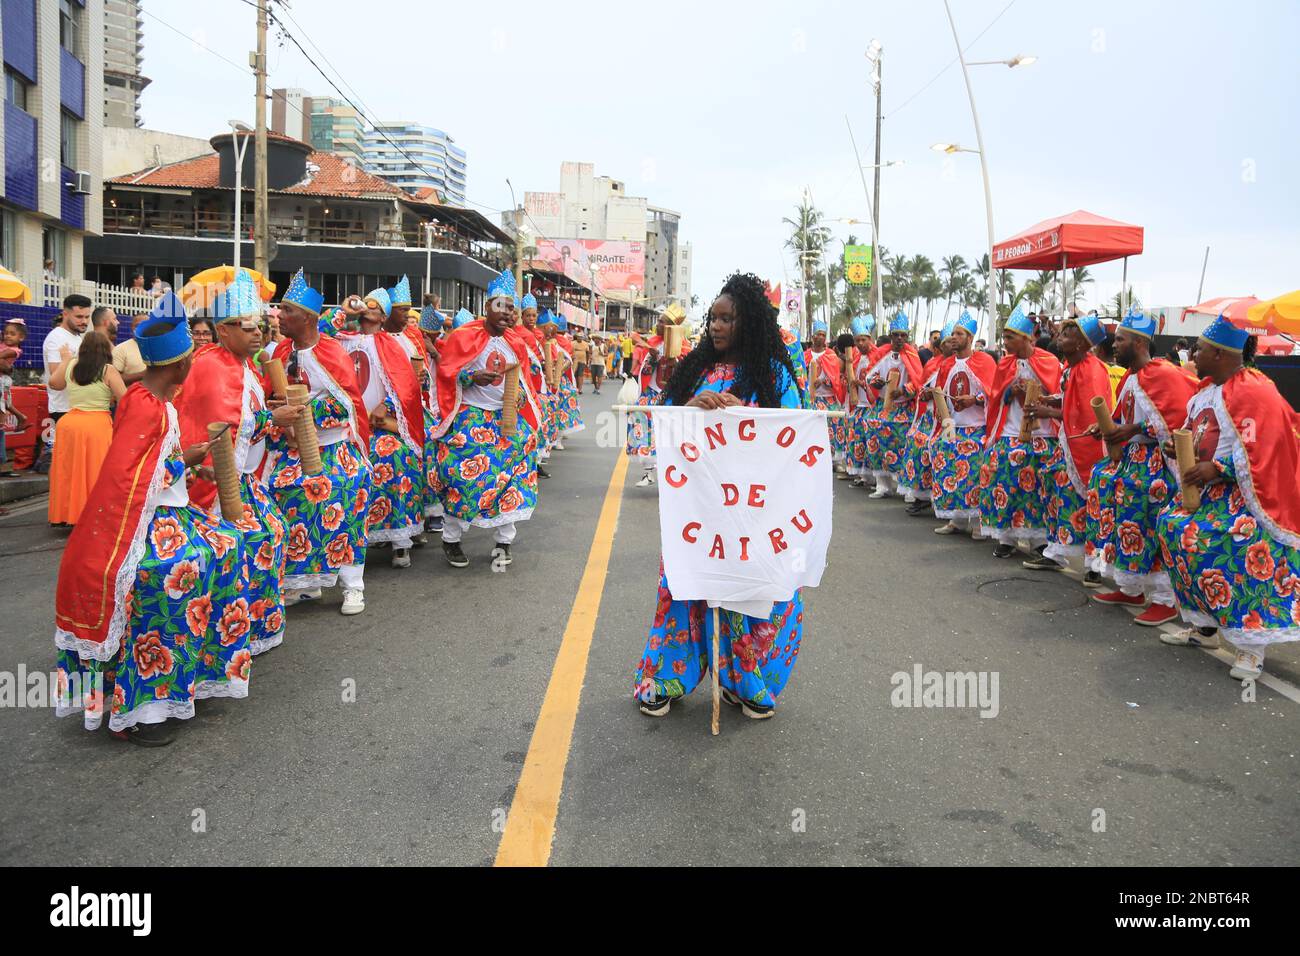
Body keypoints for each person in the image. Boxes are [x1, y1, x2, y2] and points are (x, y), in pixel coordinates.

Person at [54, 294, 251, 746]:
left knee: (226, 549)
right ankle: (142, 709)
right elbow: (134, 477)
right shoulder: (146, 404)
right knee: (176, 573)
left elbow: (150, 464)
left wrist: (189, 462)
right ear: (180, 367)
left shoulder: (155, 399)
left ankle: (185, 680)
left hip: (164, 512)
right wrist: (189, 460)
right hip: (143, 523)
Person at [633, 272, 805, 720]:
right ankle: (666, 677)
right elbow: (667, 427)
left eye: (727, 319)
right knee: (684, 588)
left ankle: (745, 682)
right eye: (713, 318)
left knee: (750, 595)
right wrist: (691, 408)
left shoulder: (776, 374)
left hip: (752, 512)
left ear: (749, 322)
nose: (716, 326)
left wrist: (745, 414)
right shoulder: (698, 369)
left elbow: (792, 434)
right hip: (700, 508)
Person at [1156, 317, 1300, 680]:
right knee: (1173, 528)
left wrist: (1217, 468)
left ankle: (1251, 648)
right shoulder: (1204, 392)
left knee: (1235, 541)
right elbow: (1194, 434)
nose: (1194, 354)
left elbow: (1265, 446)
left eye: (1200, 348)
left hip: (1245, 496)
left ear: (1219, 353)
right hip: (1206, 491)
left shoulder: (1254, 389)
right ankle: (1204, 627)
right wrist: (1178, 448)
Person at [175, 268, 303, 655]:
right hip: (216, 484)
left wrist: (274, 409)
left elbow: (246, 417)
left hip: (245, 478)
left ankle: (249, 627)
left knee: (270, 534)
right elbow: (225, 430)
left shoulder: (245, 365)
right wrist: (271, 418)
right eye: (245, 327)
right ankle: (220, 638)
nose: (256, 333)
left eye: (260, 326)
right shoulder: (212, 366)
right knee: (243, 546)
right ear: (222, 330)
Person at [268, 270, 373, 616]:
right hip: (292, 450)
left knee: (343, 505)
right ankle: (306, 584)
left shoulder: (331, 352)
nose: (279, 316)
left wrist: (304, 410)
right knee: (286, 502)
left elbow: (347, 404)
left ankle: (352, 586)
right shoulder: (282, 352)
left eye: (287, 311)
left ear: (308, 318)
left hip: (333, 450)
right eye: (280, 310)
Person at [1084, 309, 1198, 619]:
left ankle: (1164, 599)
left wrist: (1134, 429)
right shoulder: (1132, 378)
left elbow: (1176, 422)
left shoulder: (1164, 374)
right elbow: (1125, 415)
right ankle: (1131, 589)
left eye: (1120, 339)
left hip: (1155, 467)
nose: (1114, 344)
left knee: (1150, 528)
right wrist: (1107, 426)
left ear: (1139, 342)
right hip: (1131, 465)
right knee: (1127, 525)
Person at [431, 269, 542, 569]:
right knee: (463, 478)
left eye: (511, 308)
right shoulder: (464, 336)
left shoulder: (516, 343)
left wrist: (518, 395)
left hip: (505, 420)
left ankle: (504, 540)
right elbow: (446, 374)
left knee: (515, 477)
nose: (507, 313)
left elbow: (523, 382)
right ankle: (451, 538)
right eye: (501, 306)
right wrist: (471, 376)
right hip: (470, 419)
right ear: (487, 307)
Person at [341, 286, 425, 570]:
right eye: (365, 304)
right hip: (348, 425)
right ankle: (357, 537)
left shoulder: (394, 345)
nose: (369, 308)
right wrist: (343, 311)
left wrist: (384, 408)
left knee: (395, 458)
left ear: (384, 315)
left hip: (382, 424)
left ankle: (401, 542)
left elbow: (408, 388)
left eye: (375, 306)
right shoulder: (342, 340)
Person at [1020, 313, 1112, 573]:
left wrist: (1049, 412)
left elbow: (1087, 416)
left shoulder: (1091, 369)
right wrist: (1050, 401)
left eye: (1068, 335)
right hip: (1068, 443)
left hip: (1085, 448)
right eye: (1062, 333)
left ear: (1082, 344)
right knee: (1056, 489)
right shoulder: (1072, 367)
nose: (1060, 337)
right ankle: (1057, 551)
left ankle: (1094, 565)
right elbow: (1071, 401)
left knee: (1085, 503)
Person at [976, 305, 1063, 558]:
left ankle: (1038, 539)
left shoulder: (1049, 361)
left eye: (1010, 337)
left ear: (1027, 337)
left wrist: (1036, 392)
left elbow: (1058, 395)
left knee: (1037, 489)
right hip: (1011, 431)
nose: (1005, 341)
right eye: (1004, 337)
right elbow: (995, 397)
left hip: (1042, 433)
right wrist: (1010, 392)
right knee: (1006, 484)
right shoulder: (1004, 363)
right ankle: (1007, 537)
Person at [46, 331, 126, 526]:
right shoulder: (108, 370)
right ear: (106, 351)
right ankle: (93, 514)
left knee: (70, 471)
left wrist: (65, 359)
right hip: (96, 425)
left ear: (82, 349)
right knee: (96, 471)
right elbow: (125, 399)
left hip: (69, 423)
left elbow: (54, 383)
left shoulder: (72, 365)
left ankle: (67, 514)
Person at [930, 312, 997, 535]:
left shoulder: (985, 361)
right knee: (951, 471)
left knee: (975, 475)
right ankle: (956, 519)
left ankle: (978, 522)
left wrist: (974, 399)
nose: (954, 338)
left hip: (977, 428)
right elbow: (941, 393)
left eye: (959, 334)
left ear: (970, 337)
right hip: (952, 426)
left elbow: (993, 393)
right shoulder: (947, 364)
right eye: (953, 334)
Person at [625, 304, 689, 488]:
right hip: (651, 393)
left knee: (670, 437)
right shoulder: (652, 342)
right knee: (642, 427)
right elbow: (645, 371)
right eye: (659, 320)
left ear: (671, 327)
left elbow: (685, 374)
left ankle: (672, 476)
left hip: (672, 397)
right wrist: (653, 356)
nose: (658, 324)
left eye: (662, 322)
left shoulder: (684, 347)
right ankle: (648, 473)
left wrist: (673, 360)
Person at [862, 313, 924, 499]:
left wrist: (904, 390)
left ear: (907, 337)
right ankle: (883, 485)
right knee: (875, 436)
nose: (899, 338)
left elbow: (919, 381)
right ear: (890, 335)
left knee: (904, 445)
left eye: (903, 335)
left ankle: (905, 487)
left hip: (903, 408)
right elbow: (869, 375)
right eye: (896, 334)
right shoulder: (882, 353)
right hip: (882, 407)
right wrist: (877, 382)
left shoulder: (913, 355)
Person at [899, 320, 956, 514]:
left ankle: (942, 498)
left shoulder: (957, 364)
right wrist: (922, 393)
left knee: (941, 447)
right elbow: (921, 385)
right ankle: (922, 495)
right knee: (915, 442)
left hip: (948, 418)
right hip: (929, 416)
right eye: (948, 341)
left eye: (953, 340)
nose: (951, 344)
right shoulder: (932, 363)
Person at [804, 320, 848, 471]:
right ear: (812, 336)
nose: (820, 337)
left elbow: (836, 377)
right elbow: (800, 375)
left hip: (828, 398)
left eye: (823, 335)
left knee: (835, 427)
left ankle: (835, 461)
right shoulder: (805, 355)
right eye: (818, 334)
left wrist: (822, 381)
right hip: (811, 399)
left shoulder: (831, 355)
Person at [42, 294, 92, 424]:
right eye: (79, 317)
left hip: (78, 407)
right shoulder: (56, 338)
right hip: (64, 409)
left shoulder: (76, 337)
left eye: (87, 317)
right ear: (65, 314)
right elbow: (57, 382)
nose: (84, 321)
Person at [845, 314, 882, 486]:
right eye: (857, 340)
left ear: (870, 339)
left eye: (863, 340)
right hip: (859, 405)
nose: (860, 343)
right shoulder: (856, 357)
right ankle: (864, 476)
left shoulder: (879, 356)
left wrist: (863, 383)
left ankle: (878, 480)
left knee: (872, 444)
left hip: (872, 406)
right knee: (858, 442)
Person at [0, 345, 27, 484]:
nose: (9, 363)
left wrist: (20, 416)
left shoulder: (4, 380)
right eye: (6, 360)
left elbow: (6, 403)